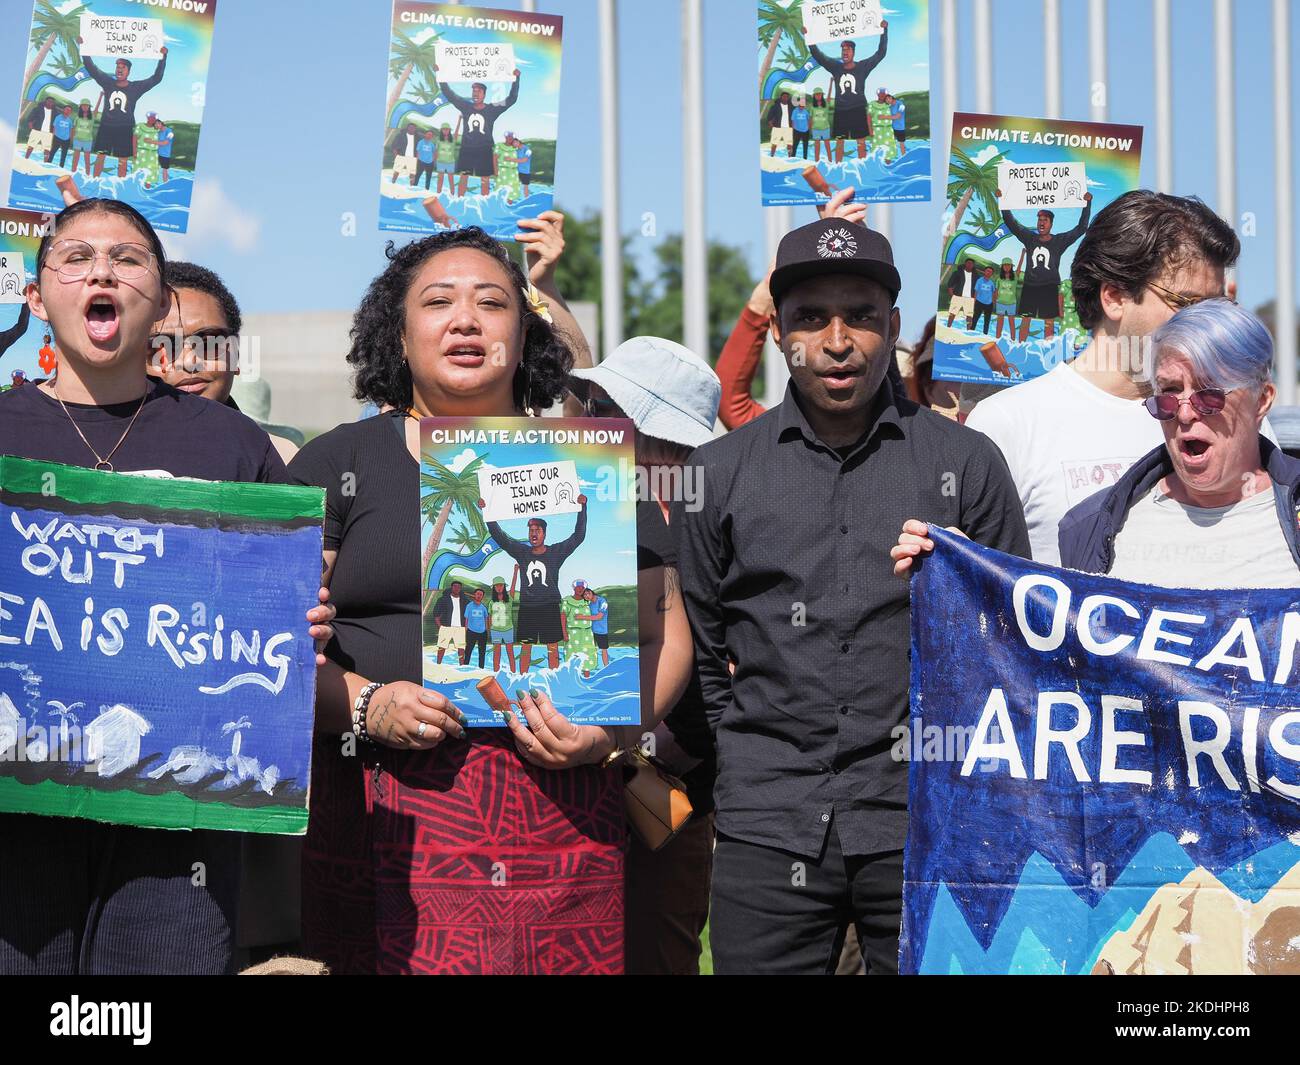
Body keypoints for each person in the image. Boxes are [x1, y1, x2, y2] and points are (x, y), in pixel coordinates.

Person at [675, 217, 1029, 975]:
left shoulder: (967, 465)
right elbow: (702, 659)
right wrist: (745, 777)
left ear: (893, 326)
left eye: (862, 316)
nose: (838, 340)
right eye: (810, 317)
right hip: (767, 834)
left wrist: (954, 578)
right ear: (778, 331)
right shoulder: (717, 473)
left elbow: (1013, 647)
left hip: (930, 826)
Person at [0, 197, 334, 975]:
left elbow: (280, 606)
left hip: (177, 829)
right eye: (75, 258)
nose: (101, 272)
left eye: (127, 258)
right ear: (36, 295)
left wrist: (300, 621)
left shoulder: (233, 444)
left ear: (160, 299)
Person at [288, 224, 631, 975]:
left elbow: (665, 629)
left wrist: (605, 735)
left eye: (493, 303)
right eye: (438, 301)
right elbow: (269, 644)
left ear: (524, 332)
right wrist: (361, 700)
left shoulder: (591, 461)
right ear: (398, 336)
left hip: (559, 811)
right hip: (375, 803)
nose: (466, 319)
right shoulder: (334, 462)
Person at [966, 190, 1250, 566]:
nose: (1208, 323)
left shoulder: (1239, 412)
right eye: (1186, 304)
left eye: (1216, 306)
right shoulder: (1007, 424)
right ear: (1114, 296)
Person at [567, 333, 719, 976]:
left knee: (652, 955)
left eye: (598, 401)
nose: (580, 411)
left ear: (640, 423)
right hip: (575, 777)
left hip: (670, 797)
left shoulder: (707, 519)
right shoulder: (587, 502)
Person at [1058, 299, 1298, 585]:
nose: (1184, 413)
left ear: (1261, 400)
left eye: (1209, 394)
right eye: (1169, 394)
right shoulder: (1090, 526)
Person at [483, 503, 588, 673]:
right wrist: (487, 511)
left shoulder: (556, 552)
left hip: (550, 607)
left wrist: (583, 507)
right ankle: (523, 680)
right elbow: (500, 537)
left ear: (544, 534)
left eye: (537, 530)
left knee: (552, 648)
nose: (533, 534)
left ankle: (554, 681)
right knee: (526, 649)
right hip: (528, 608)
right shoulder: (521, 552)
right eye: (531, 531)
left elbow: (578, 536)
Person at [1000, 190, 1092, 341]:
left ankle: (1047, 349)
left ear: (1051, 224)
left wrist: (1087, 203)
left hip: (1049, 286)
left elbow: (1081, 228)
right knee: (1025, 320)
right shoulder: (1029, 238)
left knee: (1048, 322)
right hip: (1030, 285)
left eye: (1045, 220)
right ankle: (1021, 347)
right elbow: (1011, 223)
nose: (1041, 223)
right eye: (1039, 220)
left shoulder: (1059, 241)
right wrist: (1002, 200)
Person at [80, 42, 168, 179]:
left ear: (128, 71)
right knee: (100, 157)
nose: (119, 70)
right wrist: (83, 48)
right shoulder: (107, 82)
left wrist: (163, 58)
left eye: (123, 67)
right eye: (117, 67)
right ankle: (94, 182)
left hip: (125, 128)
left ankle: (120, 188)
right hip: (106, 127)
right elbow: (91, 68)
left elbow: (156, 78)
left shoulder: (136, 88)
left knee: (123, 161)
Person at [808, 20, 888, 164]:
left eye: (848, 50)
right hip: (841, 111)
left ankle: (862, 169)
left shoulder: (863, 66)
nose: (845, 52)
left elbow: (881, 53)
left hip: (858, 109)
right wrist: (809, 38)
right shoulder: (835, 67)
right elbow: (819, 56)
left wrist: (884, 31)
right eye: (843, 50)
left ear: (853, 52)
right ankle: (838, 169)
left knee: (861, 143)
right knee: (840, 143)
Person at [438, 70, 521, 198]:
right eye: (473, 91)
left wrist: (516, 79)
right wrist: (441, 75)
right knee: (463, 177)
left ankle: (485, 204)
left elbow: (512, 99)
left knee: (485, 180)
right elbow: (449, 95)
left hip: (485, 149)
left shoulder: (492, 109)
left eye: (478, 91)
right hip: (467, 149)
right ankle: (459, 202)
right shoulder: (465, 106)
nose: (475, 94)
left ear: (484, 94)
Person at [560, 580, 598, 677]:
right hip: (572, 633)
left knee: (587, 656)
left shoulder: (587, 601)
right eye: (578, 587)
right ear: (574, 588)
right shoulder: (567, 601)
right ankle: (573, 681)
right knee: (572, 657)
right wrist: (564, 633)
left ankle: (587, 679)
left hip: (587, 634)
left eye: (582, 588)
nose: (580, 589)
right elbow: (563, 617)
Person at [431, 578, 467, 665]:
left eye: (459, 587)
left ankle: (461, 666)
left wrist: (466, 627)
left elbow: (468, 615)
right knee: (441, 647)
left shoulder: (464, 601)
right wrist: (440, 626)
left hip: (460, 628)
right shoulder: (443, 599)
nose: (457, 588)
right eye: (455, 586)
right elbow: (436, 614)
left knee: (461, 649)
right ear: (451, 587)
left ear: (460, 589)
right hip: (445, 627)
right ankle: (438, 664)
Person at [488, 576, 516, 671]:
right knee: (496, 653)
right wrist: (488, 630)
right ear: (494, 588)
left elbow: (513, 586)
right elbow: (489, 616)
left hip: (508, 629)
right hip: (495, 630)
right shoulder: (492, 602)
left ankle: (513, 672)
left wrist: (515, 571)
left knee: (510, 652)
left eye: (501, 585)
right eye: (497, 586)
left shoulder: (510, 598)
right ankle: (496, 672)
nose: (499, 587)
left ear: (504, 586)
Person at [946, 257, 977, 329]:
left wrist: (974, 298)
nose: (970, 264)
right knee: (952, 313)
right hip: (958, 296)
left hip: (970, 298)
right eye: (968, 263)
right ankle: (948, 327)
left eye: (972, 263)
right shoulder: (957, 273)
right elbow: (950, 284)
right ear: (965, 264)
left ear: (973, 265)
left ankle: (968, 330)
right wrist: (952, 295)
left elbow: (976, 288)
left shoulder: (976, 276)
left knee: (969, 316)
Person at [132, 111, 161, 189]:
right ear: (147, 118)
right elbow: (134, 139)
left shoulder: (157, 129)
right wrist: (134, 151)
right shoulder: (140, 126)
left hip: (153, 155)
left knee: (150, 174)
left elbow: (162, 141)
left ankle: (146, 191)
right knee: (138, 172)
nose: (152, 119)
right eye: (150, 117)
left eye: (154, 118)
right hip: (141, 153)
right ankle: (135, 190)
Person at [994, 256, 1020, 339]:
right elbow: (996, 291)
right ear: (1002, 267)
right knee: (999, 322)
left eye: (1008, 265)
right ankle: (997, 338)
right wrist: (994, 301)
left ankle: (1013, 339)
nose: (1006, 267)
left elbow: (1019, 266)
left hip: (1011, 303)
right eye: (1005, 265)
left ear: (1011, 266)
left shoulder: (1015, 277)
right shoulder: (999, 278)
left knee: (1011, 322)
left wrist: (1023, 254)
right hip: (1000, 303)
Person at [584, 586, 611, 669]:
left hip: (602, 631)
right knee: (590, 650)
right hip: (591, 631)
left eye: (588, 593)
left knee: (604, 650)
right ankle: (591, 668)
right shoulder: (589, 604)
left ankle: (606, 668)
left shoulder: (602, 602)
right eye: (584, 595)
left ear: (592, 592)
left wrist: (582, 617)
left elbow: (599, 616)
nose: (587, 596)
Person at [464, 586, 490, 669]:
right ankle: (465, 667)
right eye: (477, 594)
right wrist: (466, 630)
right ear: (474, 595)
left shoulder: (483, 607)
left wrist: (486, 630)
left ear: (482, 597)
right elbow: (466, 619)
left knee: (482, 652)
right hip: (471, 632)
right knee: (468, 651)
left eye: (481, 594)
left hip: (482, 633)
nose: (479, 596)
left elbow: (486, 619)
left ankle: (481, 668)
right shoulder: (469, 606)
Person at [24, 97, 56, 161]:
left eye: (52, 102)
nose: (50, 103)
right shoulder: (38, 109)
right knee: (31, 146)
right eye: (49, 101)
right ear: (45, 101)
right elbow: (30, 118)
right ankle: (26, 159)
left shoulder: (55, 112)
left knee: (47, 150)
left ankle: (45, 163)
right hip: (37, 130)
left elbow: (56, 123)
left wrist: (54, 132)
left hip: (48, 132)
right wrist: (31, 127)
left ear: (53, 103)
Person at [766, 90, 796, 158]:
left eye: (787, 97)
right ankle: (772, 156)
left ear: (788, 98)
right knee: (774, 143)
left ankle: (790, 157)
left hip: (788, 128)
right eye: (784, 96)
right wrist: (771, 123)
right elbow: (769, 116)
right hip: (777, 127)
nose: (785, 98)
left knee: (789, 144)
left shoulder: (791, 107)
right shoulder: (775, 106)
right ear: (781, 97)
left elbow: (795, 116)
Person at [71, 99, 96, 176]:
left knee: (87, 159)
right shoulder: (77, 117)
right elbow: (73, 128)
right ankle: (72, 173)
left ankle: (87, 175)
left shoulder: (92, 116)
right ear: (81, 107)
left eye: (87, 105)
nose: (85, 107)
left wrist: (101, 96)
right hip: (77, 139)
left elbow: (97, 108)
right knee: (75, 158)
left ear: (89, 107)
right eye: (83, 105)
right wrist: (72, 139)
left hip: (87, 141)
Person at [809, 88, 832, 162]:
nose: (818, 95)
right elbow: (811, 118)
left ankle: (830, 161)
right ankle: (816, 161)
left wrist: (831, 82)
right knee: (817, 147)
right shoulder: (812, 106)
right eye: (817, 94)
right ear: (814, 96)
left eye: (820, 94)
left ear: (822, 95)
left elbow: (829, 95)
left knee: (827, 146)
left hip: (825, 128)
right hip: (816, 129)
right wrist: (810, 129)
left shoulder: (826, 103)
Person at [972, 264, 996, 334]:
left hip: (989, 304)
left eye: (990, 272)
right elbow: (976, 292)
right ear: (984, 272)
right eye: (987, 271)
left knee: (987, 321)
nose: (989, 272)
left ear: (991, 274)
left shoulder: (992, 283)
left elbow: (993, 293)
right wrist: (974, 302)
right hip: (979, 302)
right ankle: (971, 331)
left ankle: (985, 334)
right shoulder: (979, 280)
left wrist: (993, 303)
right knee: (975, 318)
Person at [434, 123, 457, 195]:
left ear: (449, 130)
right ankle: (438, 194)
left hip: (450, 162)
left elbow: (456, 131)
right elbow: (436, 151)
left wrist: (459, 120)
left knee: (451, 180)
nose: (445, 131)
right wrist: (434, 161)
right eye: (444, 129)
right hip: (440, 162)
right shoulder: (438, 140)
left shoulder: (453, 139)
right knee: (440, 180)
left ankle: (452, 195)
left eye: (447, 129)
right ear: (441, 130)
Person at [51, 104, 74, 169]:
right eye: (67, 109)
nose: (68, 111)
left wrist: (70, 139)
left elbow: (71, 129)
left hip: (66, 140)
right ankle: (48, 165)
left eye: (69, 110)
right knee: (52, 153)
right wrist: (53, 137)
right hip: (57, 138)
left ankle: (61, 168)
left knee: (63, 155)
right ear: (64, 110)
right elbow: (54, 127)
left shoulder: (70, 120)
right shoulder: (58, 117)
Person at [791, 95, 812, 160]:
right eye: (800, 105)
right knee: (795, 145)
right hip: (797, 130)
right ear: (798, 104)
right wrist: (793, 129)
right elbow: (792, 120)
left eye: (803, 106)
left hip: (805, 131)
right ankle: (793, 158)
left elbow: (809, 119)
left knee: (805, 146)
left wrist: (809, 128)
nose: (802, 107)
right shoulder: (795, 111)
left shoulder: (806, 111)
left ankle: (805, 158)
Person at [887, 91, 907, 156]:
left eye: (888, 99)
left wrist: (884, 117)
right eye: (886, 100)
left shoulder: (901, 105)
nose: (887, 101)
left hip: (900, 128)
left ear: (891, 97)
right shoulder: (890, 107)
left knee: (901, 144)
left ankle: (904, 158)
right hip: (892, 128)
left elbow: (898, 116)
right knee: (890, 144)